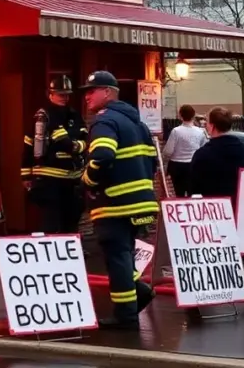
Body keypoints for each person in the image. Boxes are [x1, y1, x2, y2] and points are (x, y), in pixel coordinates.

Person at [78, 70, 159, 330]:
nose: (87, 96)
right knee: (123, 254)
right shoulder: (138, 124)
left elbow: (101, 155)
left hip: (114, 204)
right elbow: (153, 163)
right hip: (141, 203)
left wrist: (88, 181)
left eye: (93, 90)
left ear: (109, 93)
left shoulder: (104, 121)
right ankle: (139, 292)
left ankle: (125, 314)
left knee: (118, 257)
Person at [190, 107, 244, 312]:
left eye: (206, 122)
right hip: (242, 206)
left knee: (210, 252)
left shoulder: (203, 154)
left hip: (214, 209)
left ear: (212, 126)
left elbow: (194, 186)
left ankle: (205, 291)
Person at [21, 74, 88, 233]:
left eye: (67, 95)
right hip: (49, 179)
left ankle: (72, 252)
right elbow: (32, 145)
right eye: (60, 94)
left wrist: (76, 145)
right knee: (50, 221)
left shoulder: (74, 114)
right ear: (50, 95)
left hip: (72, 180)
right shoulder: (44, 116)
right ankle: (48, 253)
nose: (64, 98)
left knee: (72, 218)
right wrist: (25, 175)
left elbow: (84, 136)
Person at [163, 105, 206, 197]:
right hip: (193, 165)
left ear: (180, 116)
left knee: (179, 192)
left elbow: (168, 151)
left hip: (177, 166)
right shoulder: (200, 132)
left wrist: (165, 162)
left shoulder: (176, 131)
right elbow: (203, 149)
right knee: (193, 192)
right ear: (194, 115)